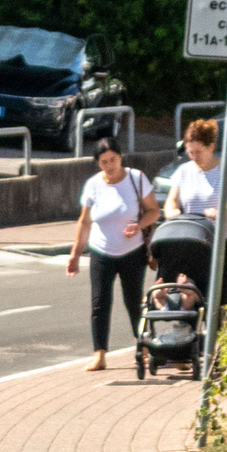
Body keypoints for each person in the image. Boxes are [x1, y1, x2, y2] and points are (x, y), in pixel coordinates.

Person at [65, 136, 158, 372]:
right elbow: (85, 222)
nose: (110, 165)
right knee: (99, 303)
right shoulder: (93, 185)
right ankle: (100, 354)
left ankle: (144, 347)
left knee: (134, 302)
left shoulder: (136, 179)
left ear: (121, 157)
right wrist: (75, 254)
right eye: (104, 161)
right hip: (101, 251)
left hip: (132, 251)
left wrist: (139, 225)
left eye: (113, 159)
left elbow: (154, 211)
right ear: (98, 163)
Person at [166, 117, 227, 222]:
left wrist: (220, 213)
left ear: (211, 147)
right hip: (192, 233)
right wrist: (171, 211)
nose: (194, 157)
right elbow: (172, 200)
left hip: (222, 236)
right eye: (190, 152)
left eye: (198, 152)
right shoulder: (183, 171)